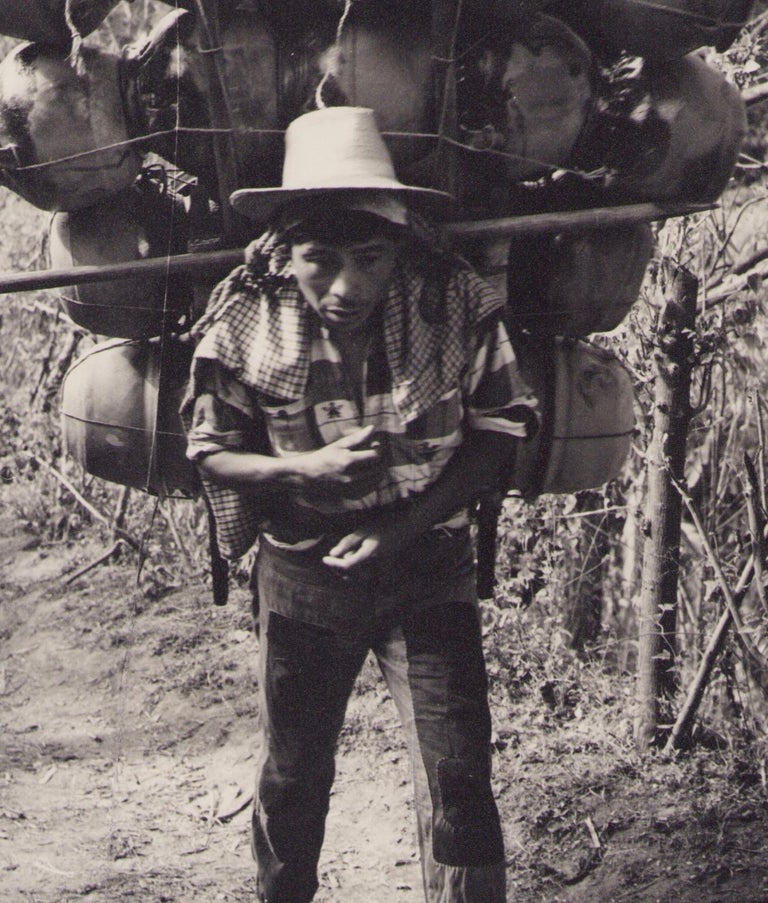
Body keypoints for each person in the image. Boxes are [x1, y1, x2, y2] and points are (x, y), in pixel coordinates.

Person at [182, 105, 539, 903]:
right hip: (305, 576)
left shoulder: (452, 301)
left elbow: (500, 430)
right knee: (294, 773)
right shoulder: (245, 319)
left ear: (401, 244)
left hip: (429, 564)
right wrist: (298, 470)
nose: (346, 287)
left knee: (459, 773)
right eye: (321, 260)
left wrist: (401, 525)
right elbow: (210, 449)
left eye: (371, 259)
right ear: (286, 249)